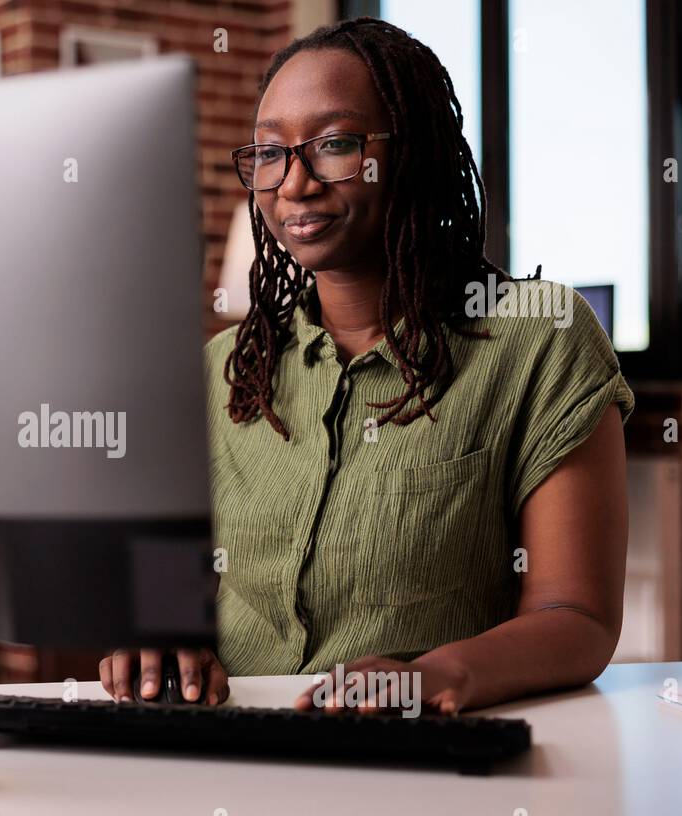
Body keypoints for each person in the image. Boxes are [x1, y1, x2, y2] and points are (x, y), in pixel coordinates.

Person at [100, 17, 634, 713]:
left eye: (334, 145)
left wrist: (438, 675)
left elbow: (577, 619)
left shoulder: (538, 340)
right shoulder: (224, 370)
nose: (293, 182)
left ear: (412, 155)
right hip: (226, 758)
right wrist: (156, 638)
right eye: (268, 153)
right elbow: (172, 589)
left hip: (422, 754)